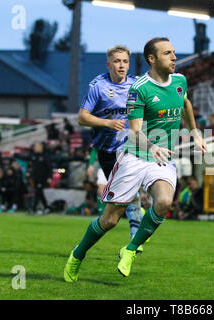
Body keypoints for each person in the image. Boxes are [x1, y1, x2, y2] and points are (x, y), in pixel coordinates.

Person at [64, 37, 206, 281]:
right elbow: (134, 132)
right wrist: (152, 146)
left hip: (160, 159)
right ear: (152, 59)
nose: (174, 57)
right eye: (167, 53)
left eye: (173, 52)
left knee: (162, 203)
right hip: (134, 156)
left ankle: (129, 249)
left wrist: (195, 132)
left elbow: (185, 103)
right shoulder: (139, 88)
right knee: (110, 220)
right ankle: (78, 254)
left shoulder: (180, 80)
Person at [70, 44, 145, 257]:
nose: (122, 65)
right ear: (109, 64)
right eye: (117, 61)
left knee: (132, 188)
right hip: (106, 149)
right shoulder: (98, 86)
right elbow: (82, 117)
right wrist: (107, 123)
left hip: (129, 146)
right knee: (119, 200)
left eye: (125, 61)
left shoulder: (136, 85)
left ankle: (134, 236)